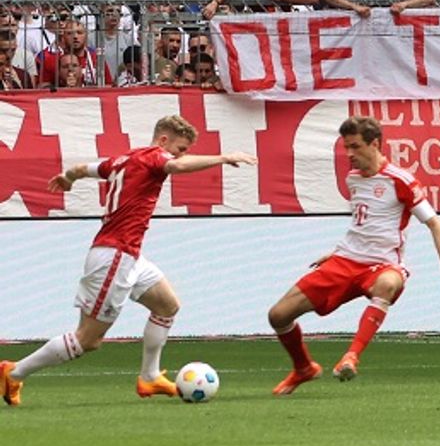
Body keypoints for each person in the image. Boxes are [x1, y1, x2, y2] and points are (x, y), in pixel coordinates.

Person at [0, 116, 255, 406]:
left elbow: (83, 169)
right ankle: (14, 372)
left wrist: (68, 179)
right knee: (88, 339)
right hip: (114, 256)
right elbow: (176, 165)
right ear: (163, 141)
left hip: (128, 255)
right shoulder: (156, 157)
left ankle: (149, 377)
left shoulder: (125, 159)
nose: (181, 154)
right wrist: (223, 158)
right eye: (180, 148)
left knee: (167, 305)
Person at [268, 116, 440, 395]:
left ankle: (351, 356)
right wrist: (335, 253)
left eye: (355, 147)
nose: (349, 154)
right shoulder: (353, 179)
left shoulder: (401, 180)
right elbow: (363, 224)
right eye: (346, 147)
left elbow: (435, 223)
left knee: (388, 284)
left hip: (382, 265)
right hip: (344, 261)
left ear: (375, 144)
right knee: (278, 315)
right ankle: (303, 368)